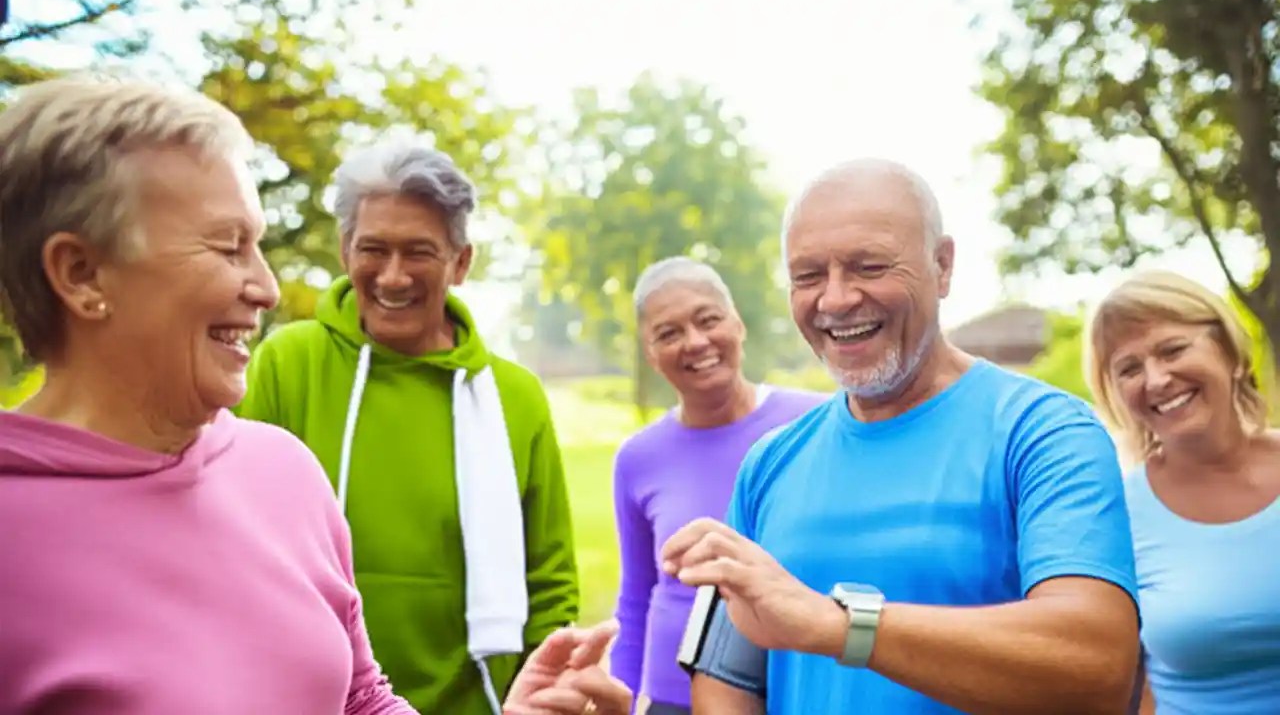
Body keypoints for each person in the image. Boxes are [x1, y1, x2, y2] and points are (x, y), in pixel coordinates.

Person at [0, 76, 627, 715]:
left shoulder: (282, 469)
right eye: (228, 247)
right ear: (81, 274)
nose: (268, 289)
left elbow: (360, 698)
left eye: (258, 245)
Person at [660, 159, 1142, 714]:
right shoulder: (771, 462)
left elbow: (1096, 667)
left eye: (868, 266)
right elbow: (728, 675)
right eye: (808, 276)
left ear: (942, 266)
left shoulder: (1045, 433)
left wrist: (841, 626)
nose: (836, 299)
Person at [234, 133, 579, 713]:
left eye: (418, 252)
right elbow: (233, 542)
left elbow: (550, 579)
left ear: (461, 262)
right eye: (374, 249)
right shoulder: (286, 365)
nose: (393, 277)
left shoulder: (515, 397)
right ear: (345, 251)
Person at [610, 257, 825, 714]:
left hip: (793, 686)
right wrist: (623, 702)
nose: (696, 342)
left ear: (738, 324)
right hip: (674, 697)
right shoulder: (637, 458)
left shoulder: (817, 423)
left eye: (708, 320)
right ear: (650, 354)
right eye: (669, 333)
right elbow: (635, 598)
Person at [1084, 270, 1280, 714]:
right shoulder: (1114, 515)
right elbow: (1121, 685)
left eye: (1172, 350)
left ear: (1229, 352)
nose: (1156, 379)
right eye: (1129, 369)